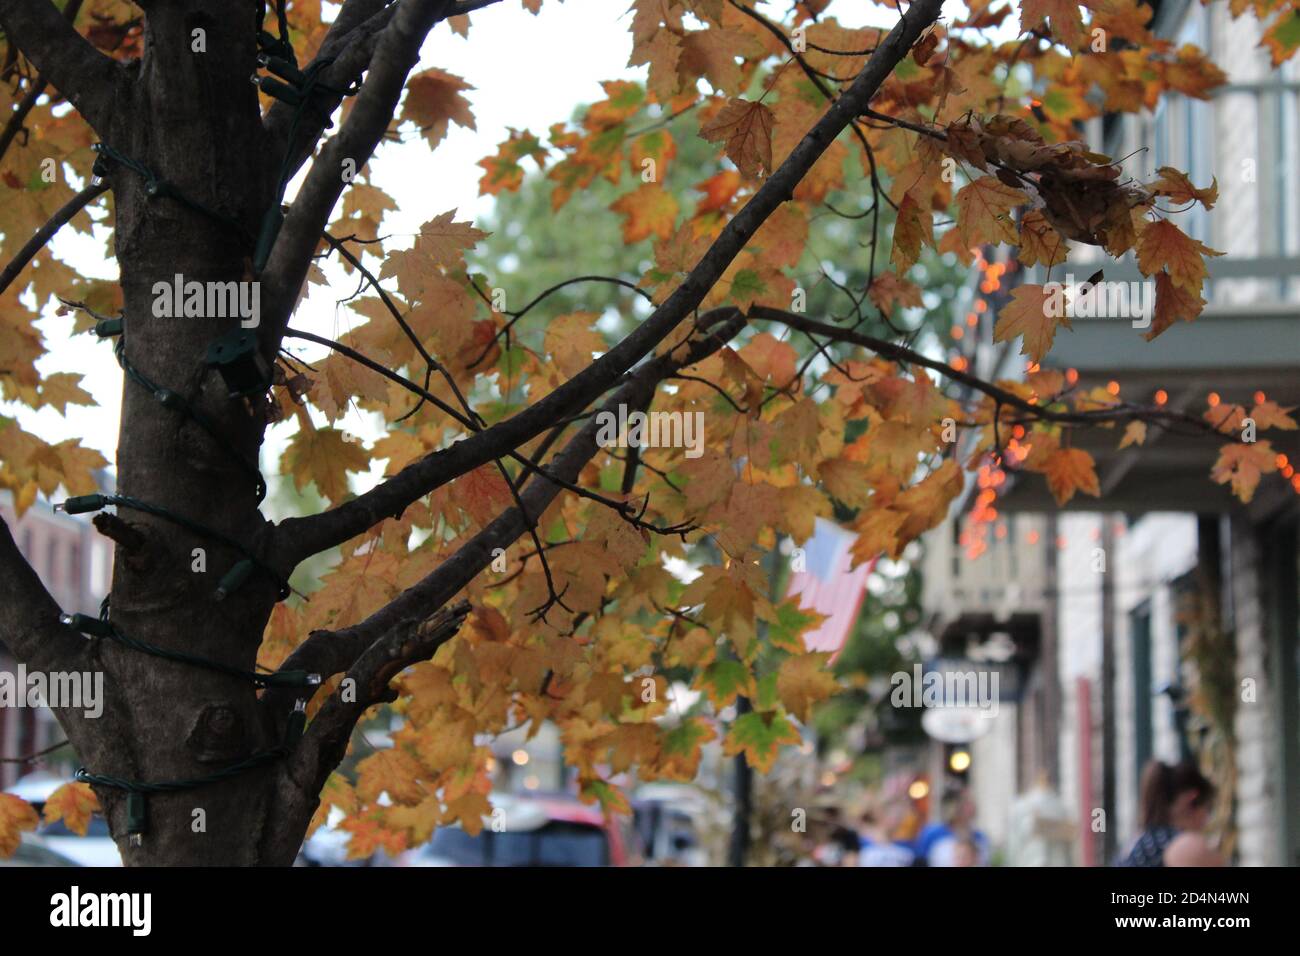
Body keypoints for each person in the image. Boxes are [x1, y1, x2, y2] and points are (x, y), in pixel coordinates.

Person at [1117, 760, 1223, 867]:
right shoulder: (1184, 847)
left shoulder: (1139, 843)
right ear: (1192, 800)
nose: (1207, 821)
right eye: (1208, 810)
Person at [914, 787, 990, 866]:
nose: (971, 807)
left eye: (971, 802)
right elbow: (919, 862)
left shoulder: (980, 838)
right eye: (965, 803)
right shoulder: (932, 834)